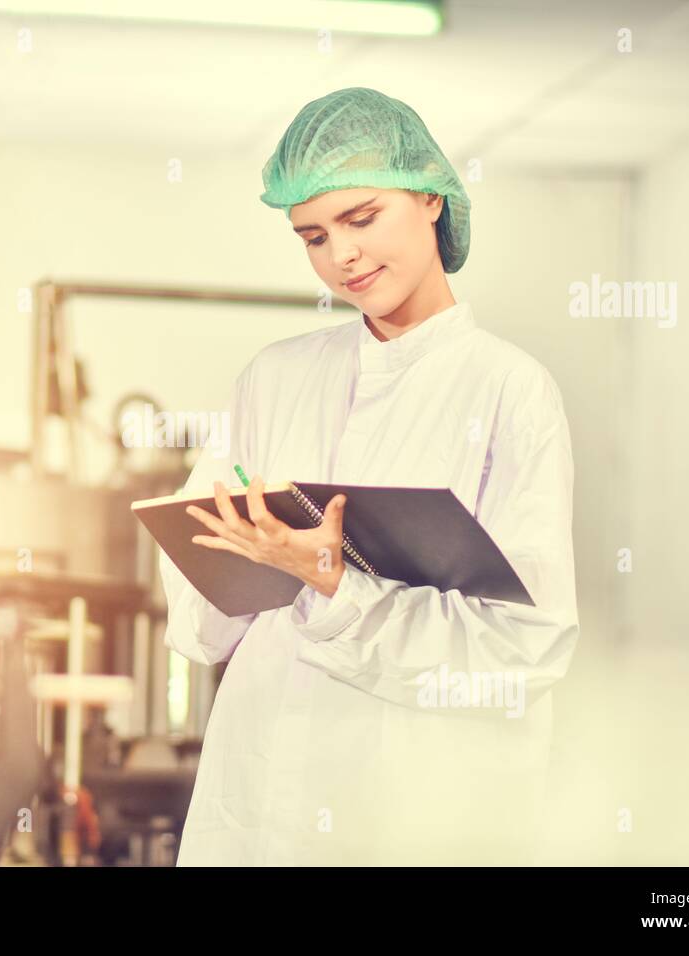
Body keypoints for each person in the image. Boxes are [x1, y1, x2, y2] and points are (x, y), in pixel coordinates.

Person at [158, 87, 580, 866]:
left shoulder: (509, 391)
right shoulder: (273, 378)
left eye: (361, 219)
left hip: (411, 821)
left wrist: (336, 588)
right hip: (254, 813)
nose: (339, 256)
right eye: (313, 235)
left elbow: (526, 652)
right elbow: (196, 623)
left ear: (430, 197)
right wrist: (232, 567)